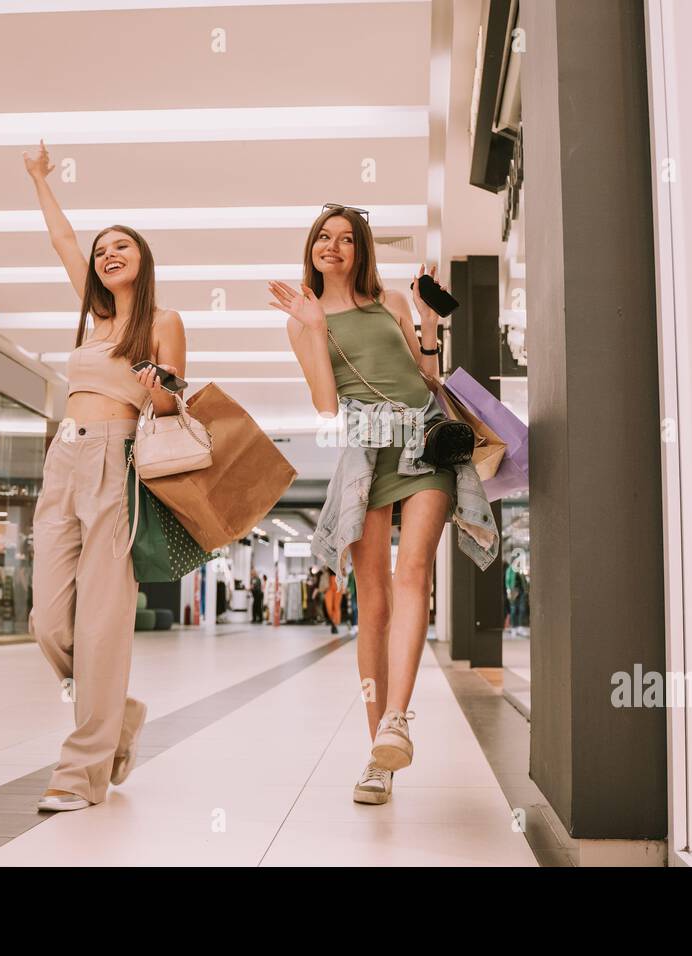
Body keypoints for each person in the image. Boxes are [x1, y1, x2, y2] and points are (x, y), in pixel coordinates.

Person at [269, 205, 497, 806]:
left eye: (347, 239)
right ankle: (379, 758)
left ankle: (397, 717)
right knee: (371, 598)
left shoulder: (390, 300)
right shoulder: (303, 320)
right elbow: (325, 402)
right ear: (312, 248)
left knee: (412, 571)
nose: (334, 246)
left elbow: (427, 378)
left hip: (423, 442)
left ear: (361, 249)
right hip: (366, 453)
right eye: (325, 237)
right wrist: (315, 327)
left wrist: (426, 323)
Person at [24, 141, 186, 813]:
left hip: (119, 462)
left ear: (143, 260)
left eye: (123, 245)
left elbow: (175, 405)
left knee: (102, 627)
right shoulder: (92, 319)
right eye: (102, 249)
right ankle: (116, 712)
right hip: (63, 458)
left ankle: (79, 774)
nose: (108, 253)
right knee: (47, 621)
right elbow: (63, 238)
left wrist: (158, 386)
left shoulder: (163, 321)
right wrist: (40, 180)